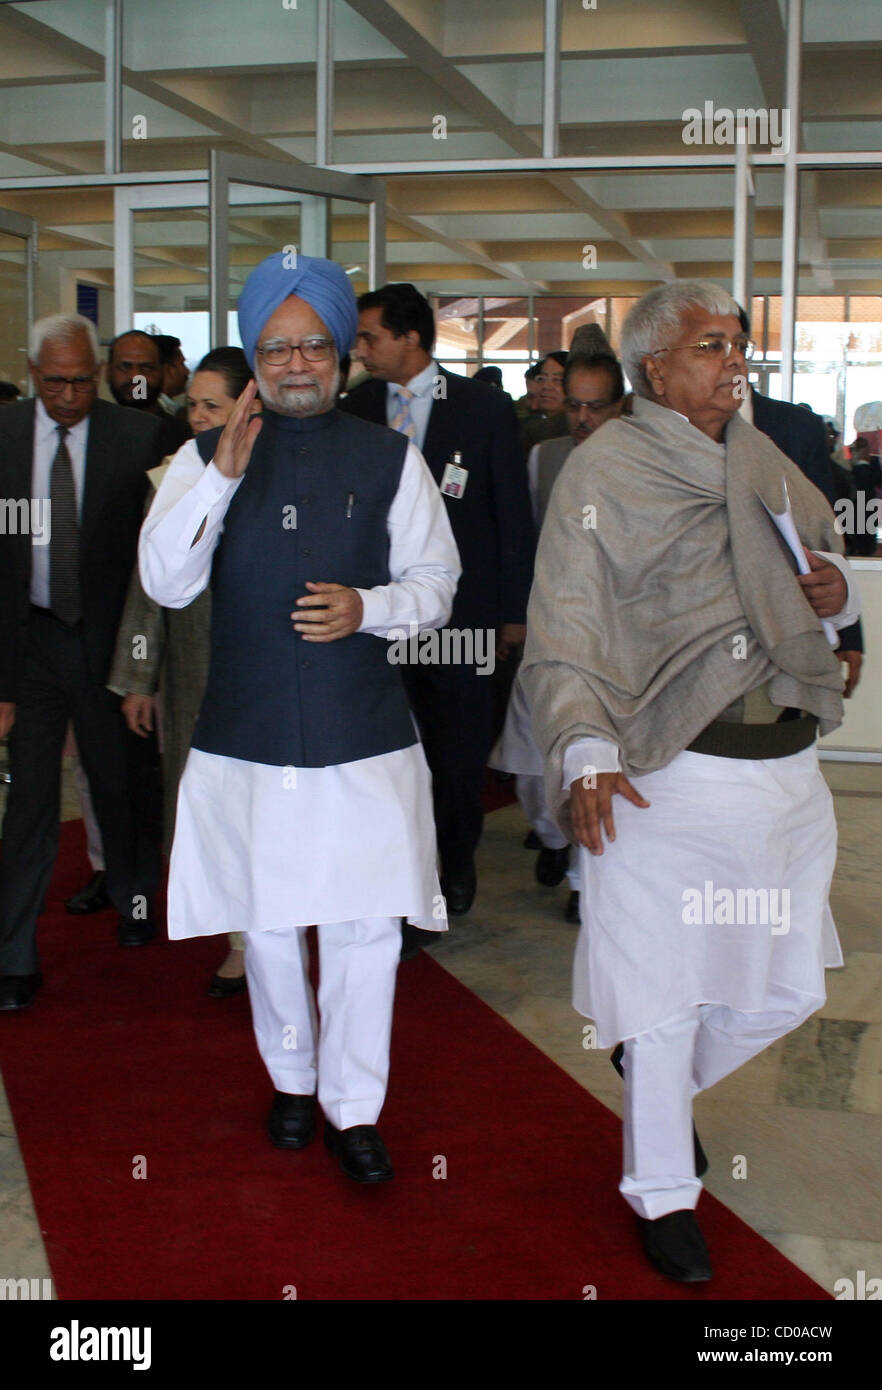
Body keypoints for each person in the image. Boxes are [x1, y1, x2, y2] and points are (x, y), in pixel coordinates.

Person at [522, 280, 859, 1282]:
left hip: (785, 770)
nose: (736, 362)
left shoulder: (759, 455)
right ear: (656, 367)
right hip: (666, 773)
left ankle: (657, 1087)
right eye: (713, 347)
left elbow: (819, 574)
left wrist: (834, 606)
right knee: (664, 1002)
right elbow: (567, 623)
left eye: (740, 345)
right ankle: (662, 1190)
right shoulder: (605, 468)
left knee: (783, 988)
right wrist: (584, 747)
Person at [139, 253, 460, 1182]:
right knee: (270, 919)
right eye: (275, 348)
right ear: (253, 356)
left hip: (363, 731)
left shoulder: (392, 456)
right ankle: (291, 1076)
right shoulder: (205, 456)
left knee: (365, 928)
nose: (294, 364)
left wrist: (371, 609)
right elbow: (165, 580)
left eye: (314, 344)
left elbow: (437, 586)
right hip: (248, 732)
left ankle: (354, 1107)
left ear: (342, 354)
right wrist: (221, 479)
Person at [342, 282, 534, 923]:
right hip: (376, 618)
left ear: (411, 338)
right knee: (390, 752)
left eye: (370, 336)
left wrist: (513, 614)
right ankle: (396, 871)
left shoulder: (480, 409)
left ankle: (453, 869)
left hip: (463, 617)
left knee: (455, 753)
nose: (359, 348)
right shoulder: (358, 407)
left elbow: (511, 514)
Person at [0, 313, 165, 1011]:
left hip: (104, 643)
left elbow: (152, 567)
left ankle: (132, 901)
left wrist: (140, 668)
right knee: (28, 804)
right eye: (54, 382)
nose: (68, 396)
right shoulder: (5, 437)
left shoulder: (137, 437)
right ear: (33, 374)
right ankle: (14, 954)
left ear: (97, 374)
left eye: (80, 381)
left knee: (117, 783)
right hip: (31, 642)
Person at [108, 346, 255, 997]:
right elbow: (147, 588)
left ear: (246, 408)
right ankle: (239, 940)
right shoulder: (170, 477)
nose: (196, 416)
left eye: (211, 406)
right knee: (205, 805)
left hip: (269, 670)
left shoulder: (280, 475)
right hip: (194, 673)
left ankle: (276, 929)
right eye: (192, 404)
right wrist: (139, 678)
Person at [492, 353, 625, 922]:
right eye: (574, 404)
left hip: (615, 640)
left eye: (596, 406)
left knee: (593, 758)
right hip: (548, 632)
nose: (583, 417)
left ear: (621, 406)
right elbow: (520, 539)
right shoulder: (543, 458)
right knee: (528, 763)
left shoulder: (641, 464)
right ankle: (551, 837)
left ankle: (582, 879)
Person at [107, 330, 190, 457]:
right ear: (108, 372)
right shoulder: (92, 433)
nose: (136, 377)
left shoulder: (184, 438)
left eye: (147, 367)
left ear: (163, 372)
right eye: (125, 366)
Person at [519, 351, 569, 456]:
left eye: (557, 380)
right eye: (542, 378)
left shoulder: (579, 429)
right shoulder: (524, 428)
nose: (546, 386)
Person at [154, 334, 189, 416]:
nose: (187, 372)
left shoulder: (170, 408)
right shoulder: (155, 412)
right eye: (182, 364)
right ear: (168, 369)